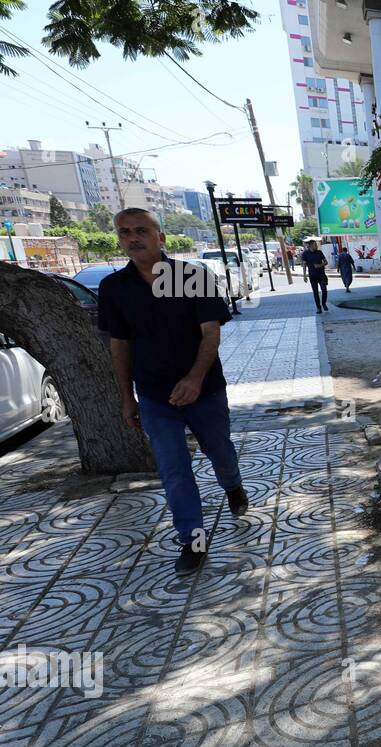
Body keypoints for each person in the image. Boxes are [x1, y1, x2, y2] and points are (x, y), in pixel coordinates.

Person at [98, 208, 248, 576]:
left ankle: (233, 486)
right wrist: (126, 398)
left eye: (141, 230)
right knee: (173, 470)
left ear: (160, 236)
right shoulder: (114, 288)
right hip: (154, 398)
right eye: (124, 232)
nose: (133, 238)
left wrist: (195, 378)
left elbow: (211, 332)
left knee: (220, 451)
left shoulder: (194, 277)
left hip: (206, 391)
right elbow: (120, 346)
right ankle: (192, 540)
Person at [302, 239, 329, 313]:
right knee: (315, 292)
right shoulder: (305, 254)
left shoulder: (319, 252)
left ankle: (323, 303)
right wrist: (304, 275)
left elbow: (326, 262)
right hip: (312, 275)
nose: (316, 246)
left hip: (321, 275)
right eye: (315, 245)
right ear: (310, 245)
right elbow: (304, 264)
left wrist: (320, 265)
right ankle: (318, 308)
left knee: (324, 290)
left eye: (316, 245)